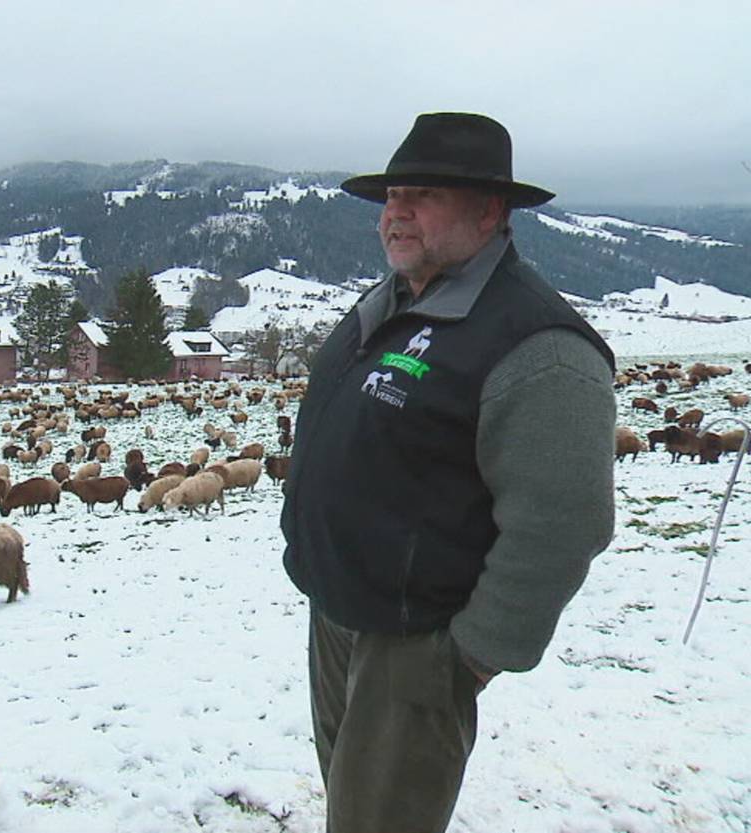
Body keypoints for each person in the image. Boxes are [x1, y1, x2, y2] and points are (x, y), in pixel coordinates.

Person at [278, 113, 616, 832]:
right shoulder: (394, 301)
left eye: (423, 195)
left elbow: (563, 522)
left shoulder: (539, 346)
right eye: (392, 195)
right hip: (339, 613)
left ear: (489, 211)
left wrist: (472, 657)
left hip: (417, 645)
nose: (395, 213)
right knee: (349, 802)